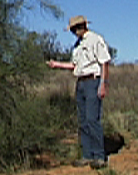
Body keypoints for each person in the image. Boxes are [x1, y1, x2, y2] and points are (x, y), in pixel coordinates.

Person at [47, 15, 112, 169]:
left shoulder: (96, 39)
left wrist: (103, 84)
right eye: (73, 29)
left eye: (77, 27)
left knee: (92, 119)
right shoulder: (77, 45)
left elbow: (104, 62)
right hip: (81, 83)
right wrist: (57, 65)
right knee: (83, 121)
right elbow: (75, 66)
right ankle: (87, 155)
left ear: (84, 25)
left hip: (93, 81)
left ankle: (99, 156)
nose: (75, 31)